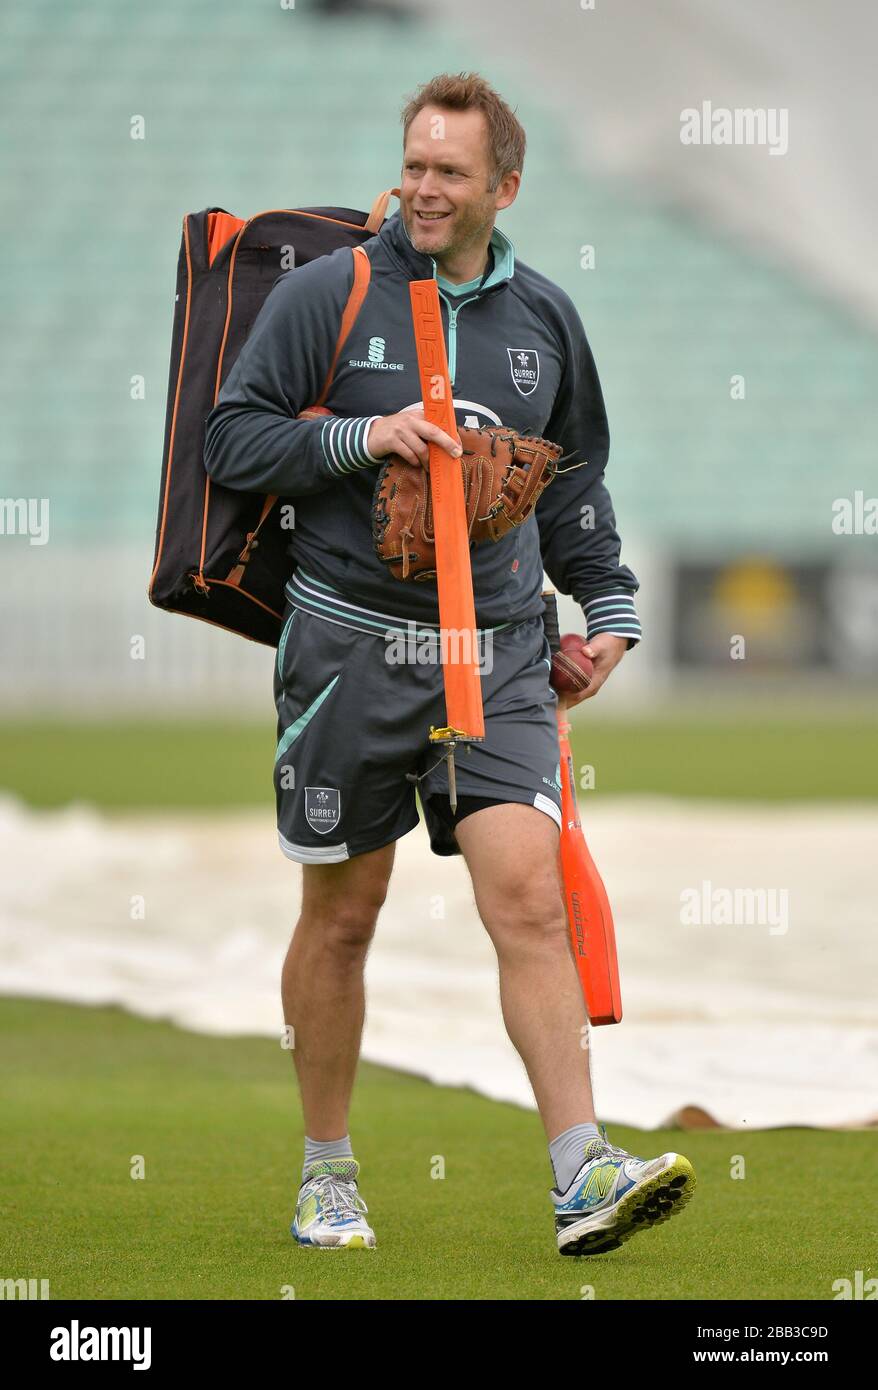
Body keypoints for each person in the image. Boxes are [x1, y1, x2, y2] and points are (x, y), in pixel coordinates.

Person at [204, 71, 696, 1256]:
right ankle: (328, 1173)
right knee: (344, 913)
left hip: (500, 651)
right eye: (414, 165)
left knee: (525, 895)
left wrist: (609, 608)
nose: (424, 188)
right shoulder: (332, 293)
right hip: (347, 654)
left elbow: (570, 474)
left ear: (502, 188)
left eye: (450, 173)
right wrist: (361, 436)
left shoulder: (545, 318)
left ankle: (581, 1173)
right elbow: (234, 434)